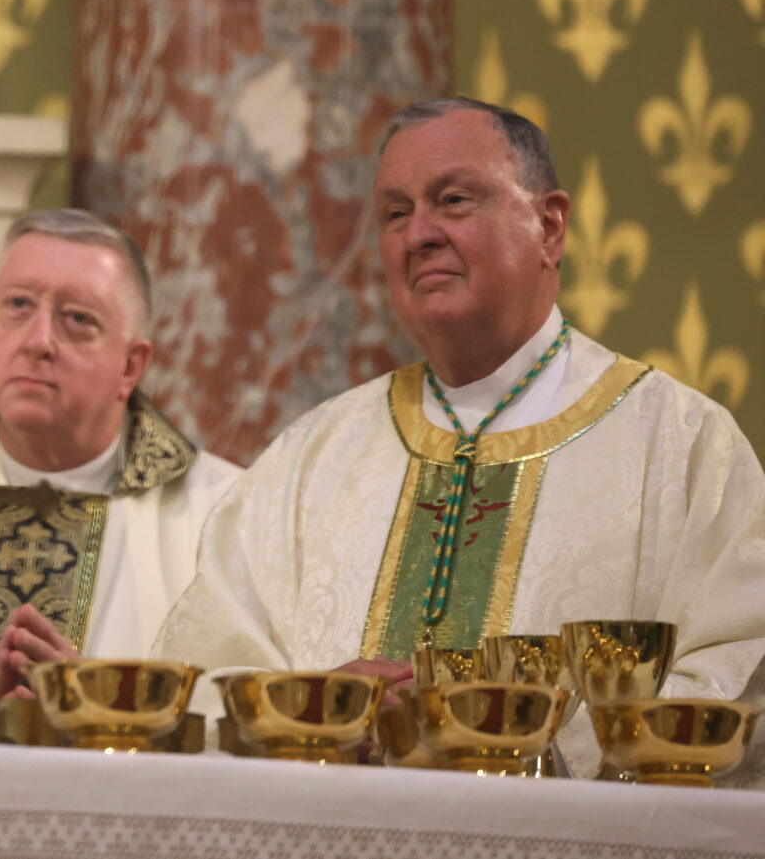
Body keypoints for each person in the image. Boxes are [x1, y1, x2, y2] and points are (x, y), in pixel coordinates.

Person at [157, 98, 765, 779]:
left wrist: (538, 754)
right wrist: (313, 712)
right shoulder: (310, 457)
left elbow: (738, 672)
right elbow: (203, 674)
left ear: (550, 225)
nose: (419, 233)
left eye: (453, 200)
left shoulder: (683, 448)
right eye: (395, 213)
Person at [0, 209, 243, 737]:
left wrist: (106, 709)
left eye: (77, 319)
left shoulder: (227, 514)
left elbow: (247, 719)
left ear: (131, 366)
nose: (39, 339)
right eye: (18, 305)